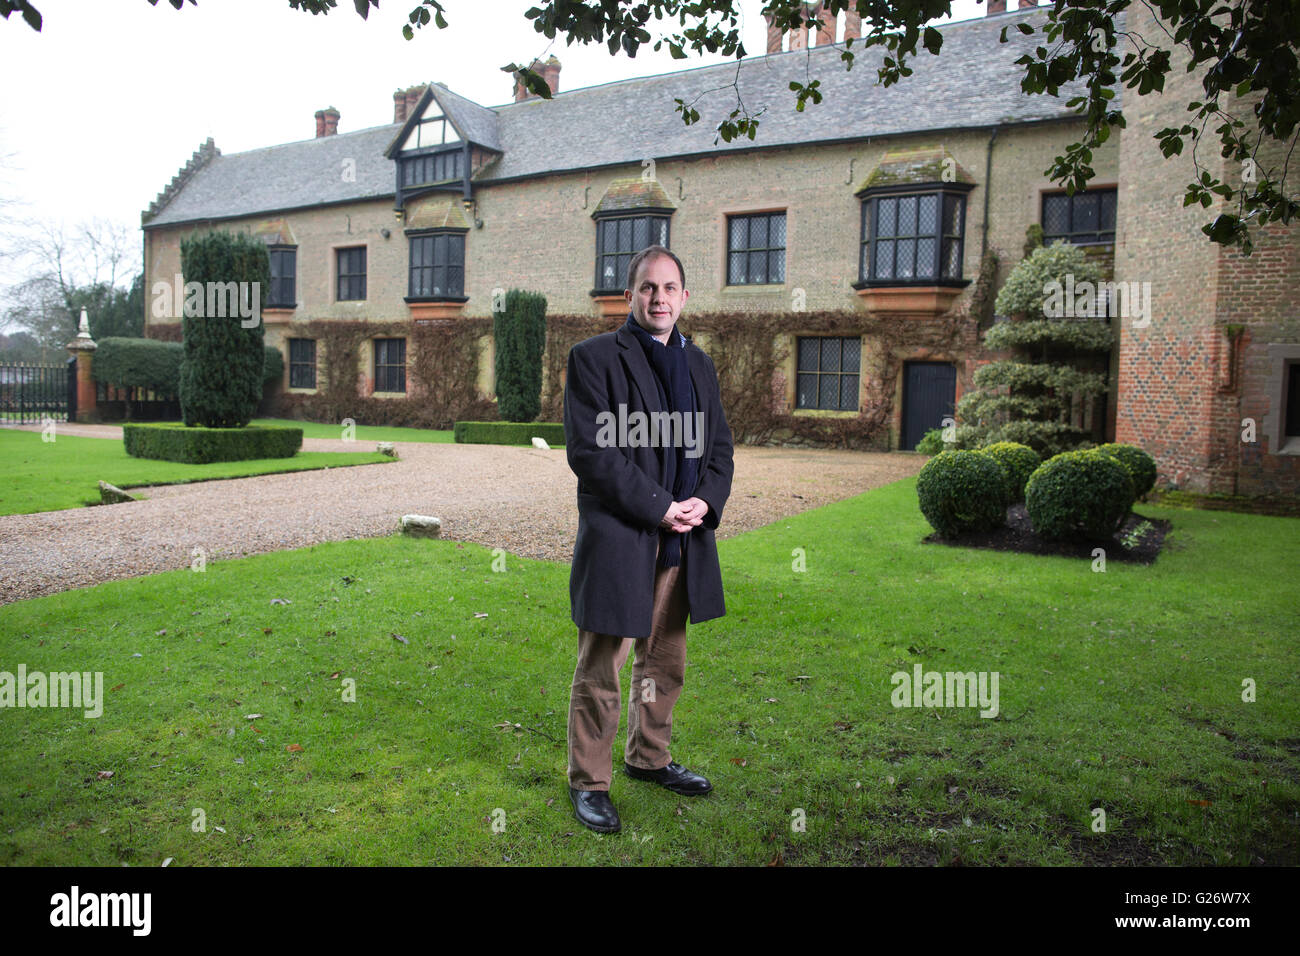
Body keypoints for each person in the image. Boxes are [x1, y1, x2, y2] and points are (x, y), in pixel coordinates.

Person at [562, 244, 734, 834]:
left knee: (665, 659)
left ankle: (649, 758)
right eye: (647, 288)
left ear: (685, 297)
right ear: (630, 296)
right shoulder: (593, 359)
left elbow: (719, 450)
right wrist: (662, 507)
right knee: (602, 667)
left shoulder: (700, 365)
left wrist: (703, 503)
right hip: (624, 538)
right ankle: (589, 781)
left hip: (684, 540)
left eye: (669, 288)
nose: (659, 298)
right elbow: (593, 454)